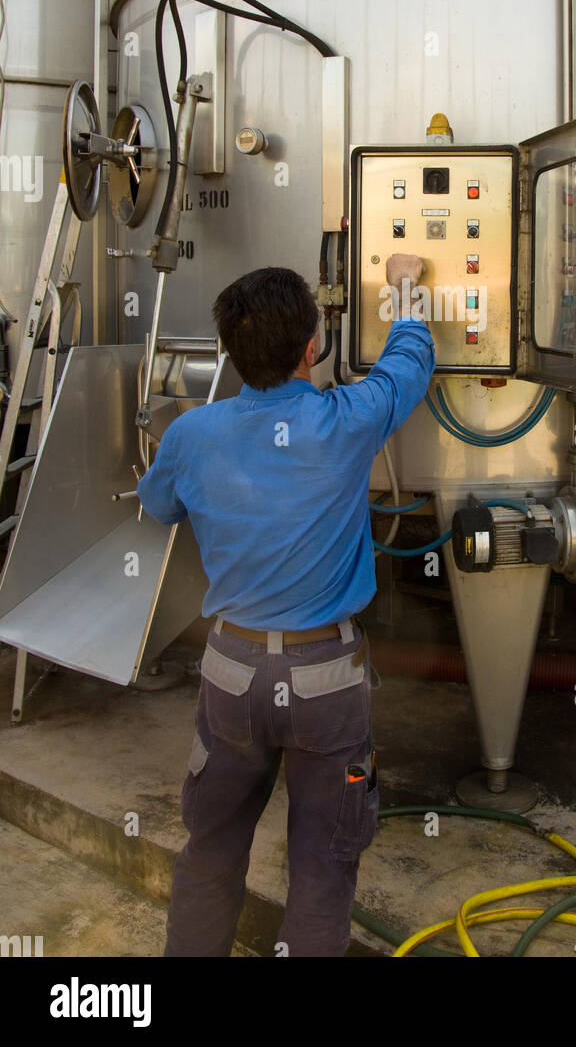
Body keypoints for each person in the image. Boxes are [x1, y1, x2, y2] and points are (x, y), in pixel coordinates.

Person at [136, 253, 434, 957]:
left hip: (231, 672)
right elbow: (409, 361)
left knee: (210, 853)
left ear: (231, 353)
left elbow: (156, 507)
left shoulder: (191, 434)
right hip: (326, 677)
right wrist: (404, 286)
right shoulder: (350, 420)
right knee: (323, 870)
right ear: (313, 347)